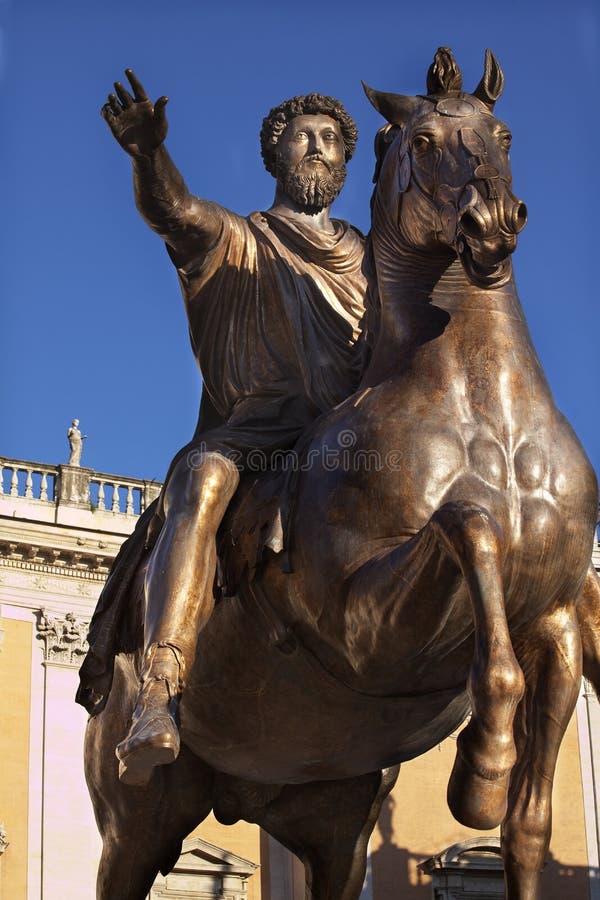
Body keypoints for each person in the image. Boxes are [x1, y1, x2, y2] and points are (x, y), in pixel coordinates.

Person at [100, 70, 367, 785]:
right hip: (254, 438)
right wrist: (147, 155)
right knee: (202, 476)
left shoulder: (377, 264)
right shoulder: (237, 239)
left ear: (346, 162)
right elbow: (175, 211)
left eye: (331, 140)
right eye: (302, 137)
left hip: (352, 447)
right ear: (275, 156)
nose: (317, 148)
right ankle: (161, 686)